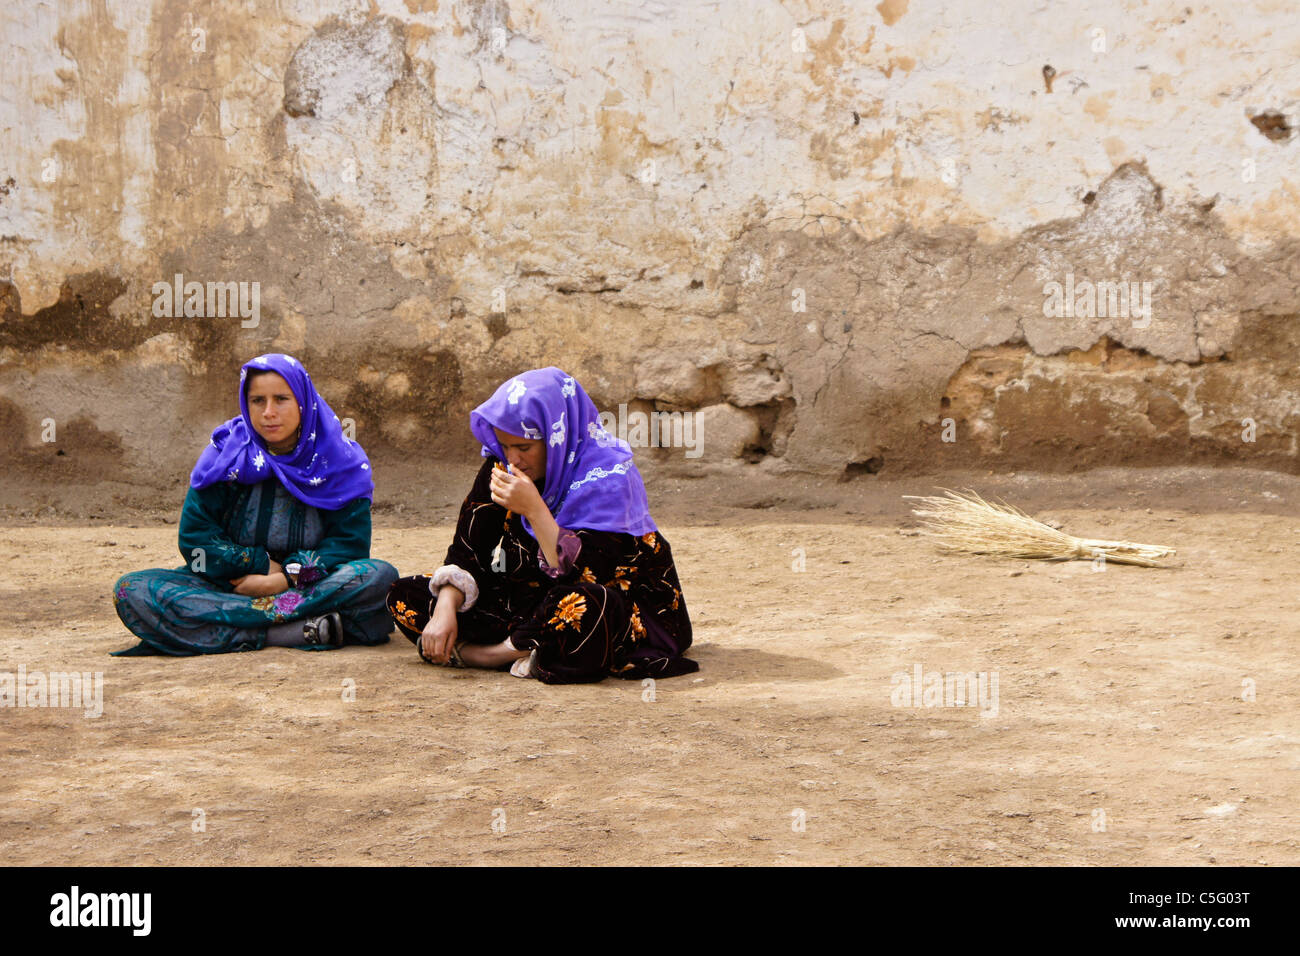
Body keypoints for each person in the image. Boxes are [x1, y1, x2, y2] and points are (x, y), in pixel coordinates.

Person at [386, 367, 698, 684]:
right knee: (405, 593)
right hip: (529, 601)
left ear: (556, 438)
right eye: (506, 446)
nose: (513, 460)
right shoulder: (503, 468)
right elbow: (468, 551)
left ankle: (487, 655)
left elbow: (589, 577)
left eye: (524, 448)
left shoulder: (610, 478)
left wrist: (535, 510)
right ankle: (528, 650)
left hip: (612, 609)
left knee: (589, 608)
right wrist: (445, 610)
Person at [112, 353, 399, 655]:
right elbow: (196, 540)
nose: (268, 412)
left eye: (281, 399)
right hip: (232, 586)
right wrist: (257, 564)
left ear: (303, 401)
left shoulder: (338, 460)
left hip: (307, 586)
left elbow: (349, 546)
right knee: (132, 589)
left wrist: (286, 577)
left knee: (379, 576)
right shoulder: (226, 455)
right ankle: (292, 632)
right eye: (257, 400)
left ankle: (237, 629)